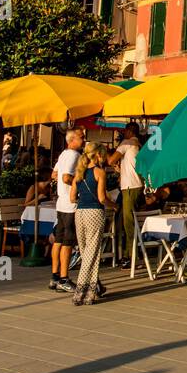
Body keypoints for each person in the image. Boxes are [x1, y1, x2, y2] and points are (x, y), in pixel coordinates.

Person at [70, 142, 117, 305]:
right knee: (92, 253)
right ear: (98, 155)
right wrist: (114, 206)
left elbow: (71, 198)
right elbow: (102, 198)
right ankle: (81, 292)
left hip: (79, 213)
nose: (104, 158)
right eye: (103, 155)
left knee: (85, 252)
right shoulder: (100, 172)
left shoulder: (79, 173)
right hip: (94, 213)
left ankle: (93, 289)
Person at [50, 128, 85, 293]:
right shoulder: (74, 155)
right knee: (68, 241)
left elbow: (54, 174)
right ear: (71, 140)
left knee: (58, 239)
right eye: (81, 137)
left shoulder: (63, 154)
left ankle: (55, 276)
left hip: (61, 202)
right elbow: (65, 177)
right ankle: (64, 278)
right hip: (70, 204)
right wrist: (80, 184)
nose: (83, 140)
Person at [108, 122, 143, 268]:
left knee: (128, 222)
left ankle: (132, 255)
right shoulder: (139, 145)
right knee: (127, 220)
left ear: (129, 131)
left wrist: (105, 153)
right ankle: (130, 253)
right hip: (135, 185)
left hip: (129, 186)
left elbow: (110, 160)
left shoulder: (127, 143)